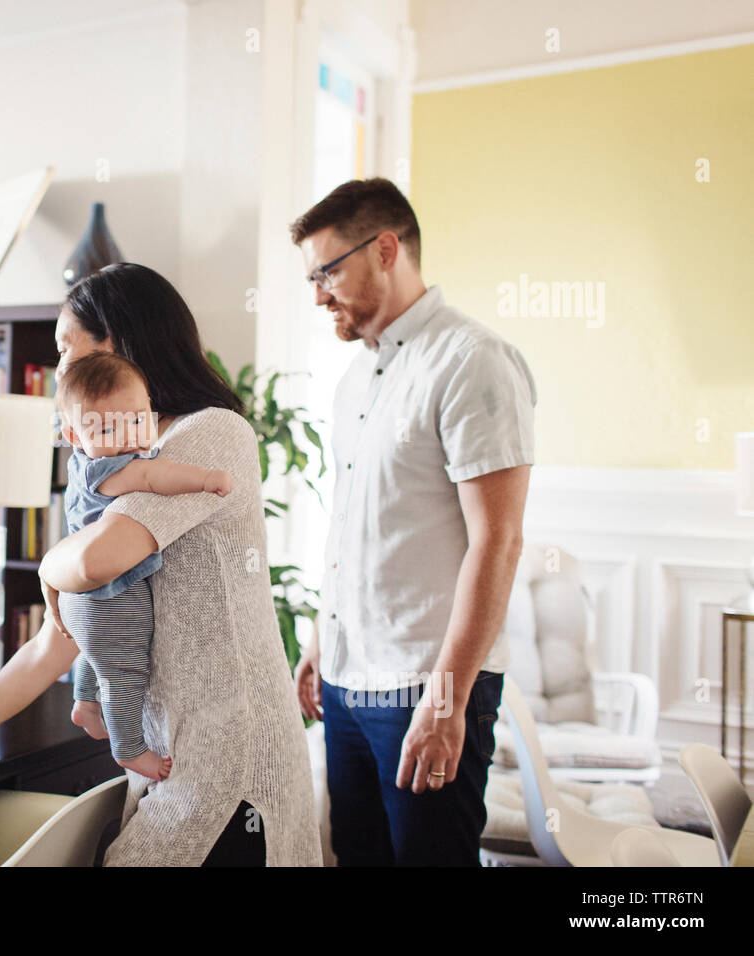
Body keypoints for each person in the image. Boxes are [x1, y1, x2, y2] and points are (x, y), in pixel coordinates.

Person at [0, 262, 322, 867]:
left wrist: (49, 565)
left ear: (117, 343)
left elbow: (97, 561)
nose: (60, 371)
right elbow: (52, 643)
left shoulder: (209, 434)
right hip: (175, 756)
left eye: (66, 348)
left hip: (233, 760)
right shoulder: (115, 464)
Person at [290, 178, 536, 866]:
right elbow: (352, 528)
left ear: (387, 249)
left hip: (425, 685)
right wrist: (318, 638)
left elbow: (499, 541)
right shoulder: (352, 383)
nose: (318, 294)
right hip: (345, 681)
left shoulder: (473, 361)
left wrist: (447, 699)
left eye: (327, 272)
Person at [55, 350, 235, 782]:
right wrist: (206, 480)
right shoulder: (110, 468)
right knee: (127, 673)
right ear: (74, 435)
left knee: (100, 657)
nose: (129, 436)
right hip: (111, 597)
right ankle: (130, 750)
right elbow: (156, 478)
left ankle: (85, 704)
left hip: (82, 599)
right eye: (107, 426)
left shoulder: (79, 467)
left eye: (137, 419)